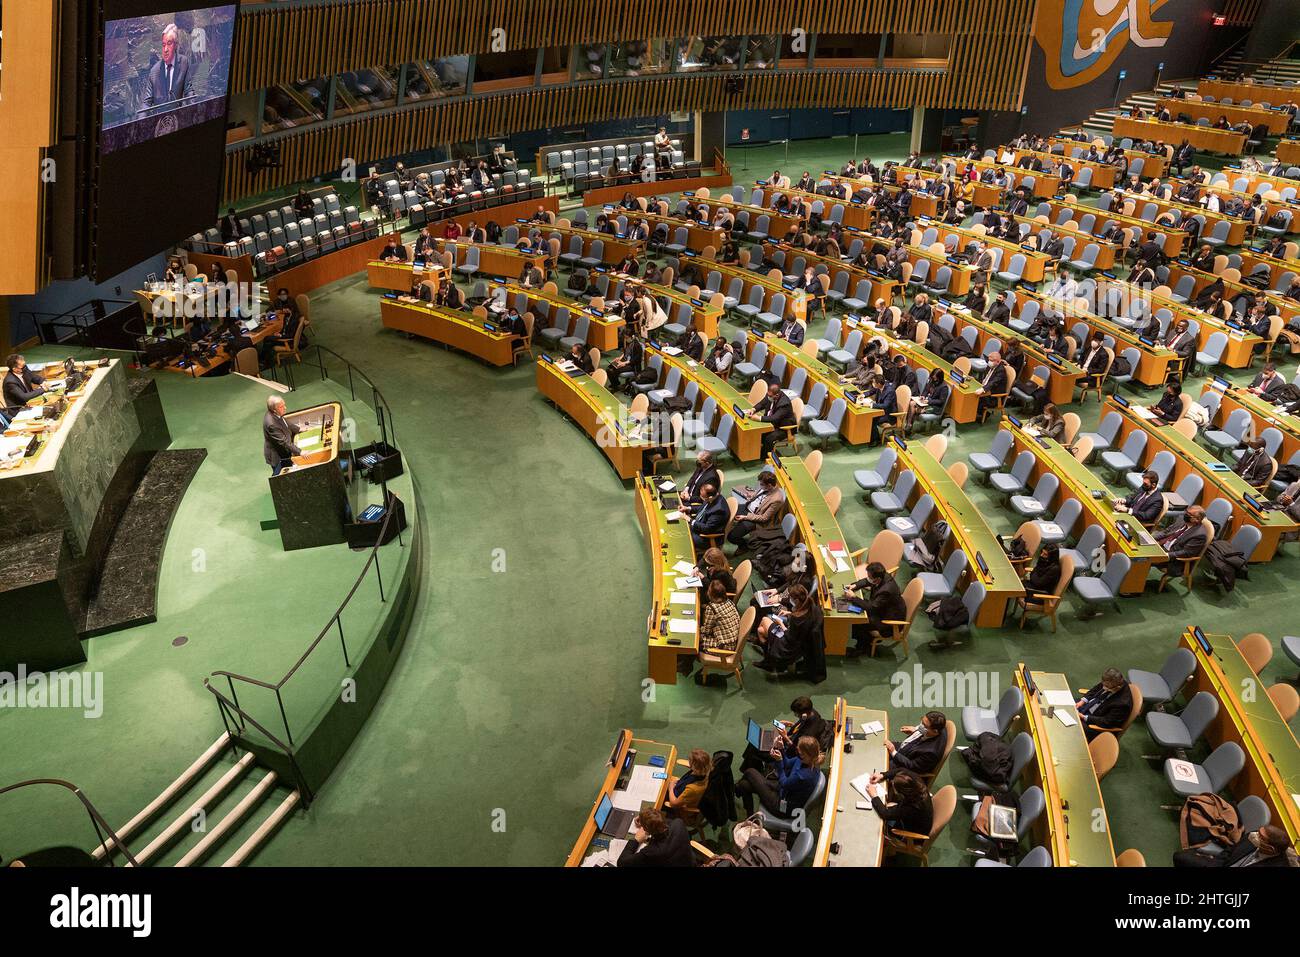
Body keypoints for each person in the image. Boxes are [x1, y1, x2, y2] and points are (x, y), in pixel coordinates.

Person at [736, 735, 822, 818]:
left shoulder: (803, 776)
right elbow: (788, 764)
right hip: (783, 791)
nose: (797, 755)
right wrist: (781, 749)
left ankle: (736, 789)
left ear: (806, 755)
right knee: (744, 785)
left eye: (799, 753)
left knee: (750, 771)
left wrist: (779, 761)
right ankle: (750, 816)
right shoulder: (807, 760)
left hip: (783, 807)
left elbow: (784, 782)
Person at [740, 697, 830, 774]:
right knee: (757, 741)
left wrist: (785, 737)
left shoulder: (809, 732)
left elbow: (798, 750)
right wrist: (792, 725)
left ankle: (750, 772)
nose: (795, 715)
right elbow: (802, 725)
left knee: (754, 746)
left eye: (796, 713)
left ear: (804, 714)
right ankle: (752, 769)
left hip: (788, 752)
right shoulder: (813, 712)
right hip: (790, 740)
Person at [843, 562, 905, 657]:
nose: (868, 578)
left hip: (889, 622)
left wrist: (853, 597)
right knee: (860, 611)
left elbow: (871, 608)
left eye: (870, 577)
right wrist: (855, 585)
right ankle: (866, 640)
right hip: (883, 609)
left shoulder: (886, 590)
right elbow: (867, 581)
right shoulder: (883, 575)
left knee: (859, 620)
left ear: (877, 579)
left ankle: (861, 648)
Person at [1174, 824, 1297, 868]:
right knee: (1180, 857)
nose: (1254, 835)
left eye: (1261, 837)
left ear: (1270, 849)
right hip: (1221, 865)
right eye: (1259, 832)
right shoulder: (1253, 836)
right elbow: (1230, 850)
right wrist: (1216, 862)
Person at [875, 711, 949, 779]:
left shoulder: (931, 753)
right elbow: (926, 727)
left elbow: (911, 766)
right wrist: (916, 729)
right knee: (877, 746)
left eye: (924, 726)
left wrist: (893, 752)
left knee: (876, 766)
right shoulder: (941, 727)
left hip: (904, 765)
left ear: (935, 731)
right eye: (922, 722)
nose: (921, 726)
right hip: (906, 748)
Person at [617, 807, 693, 867]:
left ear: (646, 829)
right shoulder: (678, 823)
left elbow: (622, 863)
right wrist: (649, 819)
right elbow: (664, 822)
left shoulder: (652, 852)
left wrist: (636, 840)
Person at [727, 471, 784, 549]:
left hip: (755, 519)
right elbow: (758, 495)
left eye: (761, 484)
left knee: (732, 537)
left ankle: (743, 546)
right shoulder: (764, 486)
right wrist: (751, 496)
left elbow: (764, 518)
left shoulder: (777, 499)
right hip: (747, 507)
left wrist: (745, 517)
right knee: (727, 510)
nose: (760, 486)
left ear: (769, 485)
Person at [141, 23, 191, 111]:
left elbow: (189, 91)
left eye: (169, 44)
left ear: (175, 45)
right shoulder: (154, 71)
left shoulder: (184, 62)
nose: (165, 49)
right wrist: (140, 121)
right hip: (160, 121)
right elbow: (146, 103)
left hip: (178, 119)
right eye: (163, 45)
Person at [1075, 668, 1133, 740]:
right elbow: (1095, 689)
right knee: (1066, 704)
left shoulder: (1122, 704)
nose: (1103, 687)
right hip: (1090, 706)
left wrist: (1083, 717)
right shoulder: (1112, 681)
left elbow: (1106, 722)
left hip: (1095, 723)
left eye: (1107, 687)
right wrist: (1082, 701)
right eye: (1103, 684)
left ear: (1117, 687)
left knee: (1072, 726)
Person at [751, 382, 795, 458]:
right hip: (773, 423)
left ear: (777, 395)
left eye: (770, 396)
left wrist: (759, 418)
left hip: (783, 428)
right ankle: (755, 451)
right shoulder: (770, 395)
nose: (768, 397)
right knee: (755, 431)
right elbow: (762, 404)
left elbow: (775, 418)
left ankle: (764, 456)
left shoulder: (784, 403)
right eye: (768, 395)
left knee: (768, 438)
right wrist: (753, 409)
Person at [698, 578, 740, 657]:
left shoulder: (712, 608)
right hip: (732, 642)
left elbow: (706, 631)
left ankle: (686, 665)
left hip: (723, 648)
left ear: (710, 594)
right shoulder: (729, 602)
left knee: (695, 640)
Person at [665, 749, 712, 818]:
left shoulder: (692, 788)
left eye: (690, 761)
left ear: (694, 766)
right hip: (681, 788)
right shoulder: (706, 772)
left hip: (678, 805)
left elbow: (674, 803)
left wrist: (671, 787)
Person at [263, 395, 303, 476]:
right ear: (274, 410)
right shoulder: (271, 424)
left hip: (283, 451)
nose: (285, 407)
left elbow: (285, 423)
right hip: (277, 456)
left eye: (284, 405)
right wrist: (300, 451)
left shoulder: (275, 413)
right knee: (281, 476)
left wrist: (299, 429)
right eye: (281, 406)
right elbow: (284, 442)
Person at [690, 485, 730, 552]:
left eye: (703, 497)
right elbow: (703, 508)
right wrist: (688, 509)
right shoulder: (714, 497)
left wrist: (691, 520)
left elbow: (707, 529)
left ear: (710, 497)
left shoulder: (718, 510)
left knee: (685, 535)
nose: (701, 498)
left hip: (706, 538)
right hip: (700, 526)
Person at [975, 351, 1008, 418]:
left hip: (993, 397)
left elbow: (993, 383)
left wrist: (983, 389)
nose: (989, 362)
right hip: (986, 389)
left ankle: (979, 415)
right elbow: (984, 378)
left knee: (975, 397)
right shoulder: (990, 365)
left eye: (991, 360)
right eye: (989, 360)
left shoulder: (1001, 371)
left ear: (998, 362)